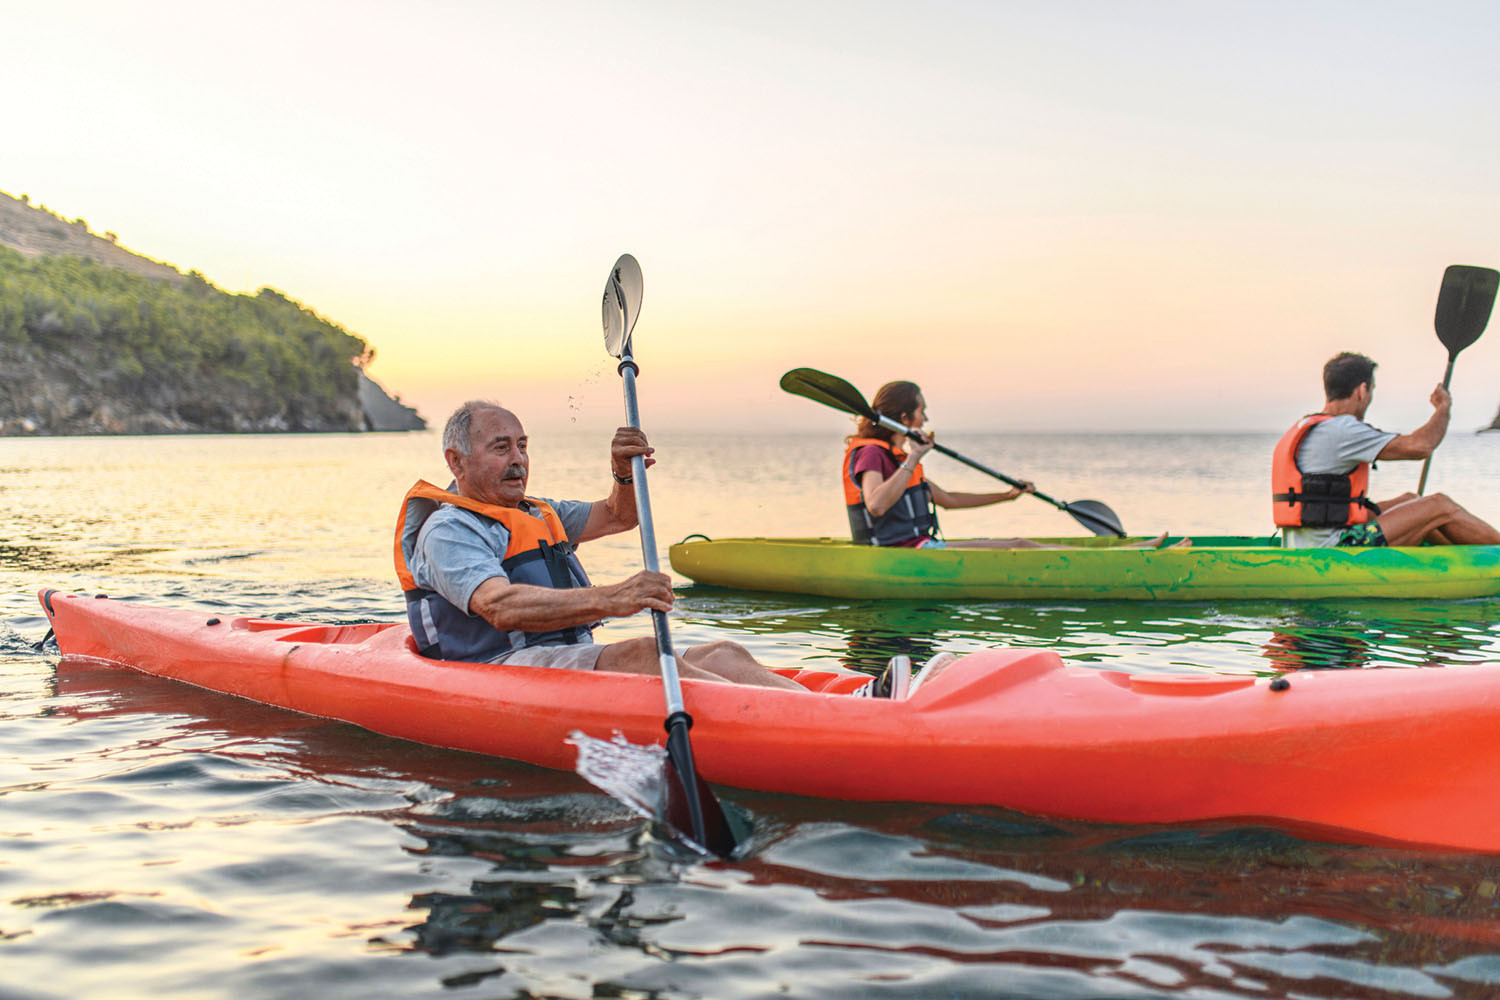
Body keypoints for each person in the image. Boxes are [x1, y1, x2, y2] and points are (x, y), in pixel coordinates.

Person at [395, 401, 819, 691]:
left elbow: (618, 516)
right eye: (501, 448)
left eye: (522, 445)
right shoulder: (448, 530)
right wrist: (614, 598)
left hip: (562, 655)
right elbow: (499, 607)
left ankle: (831, 710)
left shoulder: (537, 512)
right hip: (491, 671)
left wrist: (623, 473)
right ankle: (789, 725)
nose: (519, 459)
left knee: (724, 651)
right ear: (456, 461)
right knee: (646, 654)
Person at [842, 381, 1178, 549]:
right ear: (904, 418)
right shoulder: (873, 454)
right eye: (921, 411)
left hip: (920, 549)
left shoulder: (899, 458)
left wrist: (1006, 495)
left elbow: (949, 500)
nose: (926, 417)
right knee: (1019, 545)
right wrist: (914, 457)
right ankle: (1131, 555)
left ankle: (1124, 552)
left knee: (1019, 543)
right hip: (900, 555)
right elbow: (876, 504)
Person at [1272, 352, 1500, 548]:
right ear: (1362, 390)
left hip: (1306, 543)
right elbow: (1420, 447)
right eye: (1371, 390)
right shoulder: (1342, 429)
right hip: (1336, 547)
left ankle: (1466, 562)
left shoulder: (1308, 425)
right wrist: (1443, 408)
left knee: (1411, 500)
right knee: (1438, 505)